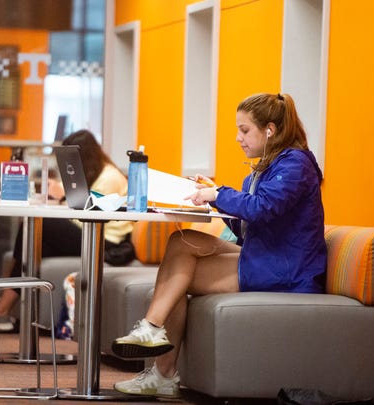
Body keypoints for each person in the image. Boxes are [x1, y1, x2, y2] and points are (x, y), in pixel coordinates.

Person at [111, 93, 327, 398]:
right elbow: (246, 225)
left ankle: (157, 350)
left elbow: (262, 208)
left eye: (244, 130)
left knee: (178, 280)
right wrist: (211, 198)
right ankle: (154, 339)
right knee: (182, 240)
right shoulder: (268, 166)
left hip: (289, 270)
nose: (238, 138)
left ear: (270, 130)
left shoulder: (296, 164)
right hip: (269, 255)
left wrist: (217, 194)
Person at [0, 129, 136, 332]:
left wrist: (62, 195)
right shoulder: (94, 173)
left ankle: (2, 309)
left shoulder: (109, 177)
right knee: (37, 246)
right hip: (87, 230)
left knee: (38, 223)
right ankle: (4, 311)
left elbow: (90, 210)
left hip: (106, 240)